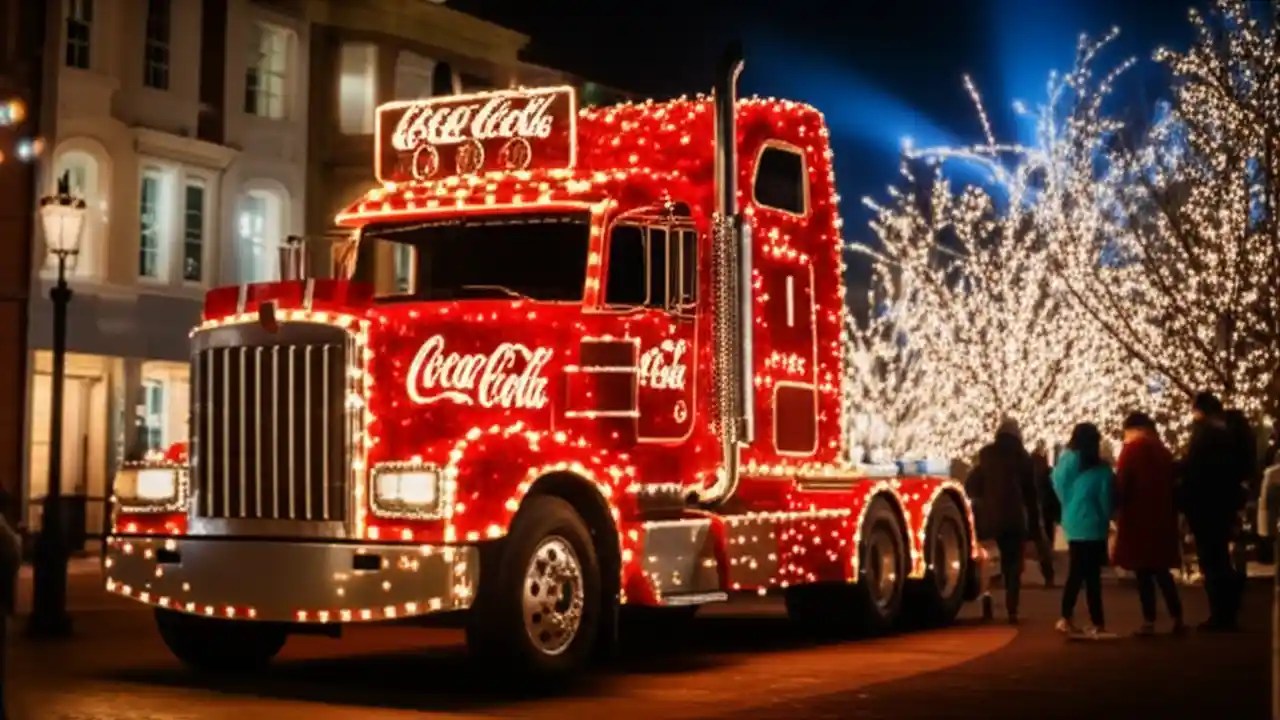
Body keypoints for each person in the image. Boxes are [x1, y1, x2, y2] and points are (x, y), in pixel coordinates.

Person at [1113, 412, 1185, 635]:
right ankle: (1177, 617)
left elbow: (1122, 484)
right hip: (1162, 517)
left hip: (1137, 519)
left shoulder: (1131, 452)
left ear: (1134, 429)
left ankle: (1149, 620)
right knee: (1162, 572)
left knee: (1143, 574)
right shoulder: (1163, 451)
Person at [1178, 392, 1244, 631]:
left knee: (1211, 560)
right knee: (1220, 558)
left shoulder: (1204, 436)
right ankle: (1228, 610)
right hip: (1223, 504)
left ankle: (1220, 613)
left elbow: (1193, 470)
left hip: (1205, 506)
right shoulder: (1229, 434)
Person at [964, 418, 1039, 624]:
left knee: (990, 564)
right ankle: (1011, 609)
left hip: (989, 520)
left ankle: (987, 603)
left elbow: (971, 486)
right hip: (1015, 520)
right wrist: (1035, 531)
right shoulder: (1023, 458)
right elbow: (1031, 496)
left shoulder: (986, 457)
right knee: (1012, 566)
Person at [1053, 422, 1115, 639]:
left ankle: (1066, 617)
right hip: (1094, 526)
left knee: (1076, 574)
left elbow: (1057, 485)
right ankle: (1096, 622)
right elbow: (1106, 501)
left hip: (1073, 523)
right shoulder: (1102, 471)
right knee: (1092, 578)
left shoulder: (1067, 464)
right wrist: (1107, 520)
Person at [1031, 443, 1058, 587]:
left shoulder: (1025, 470)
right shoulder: (1048, 473)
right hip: (1046, 512)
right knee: (1045, 547)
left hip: (1031, 511)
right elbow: (1054, 493)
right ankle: (1049, 577)